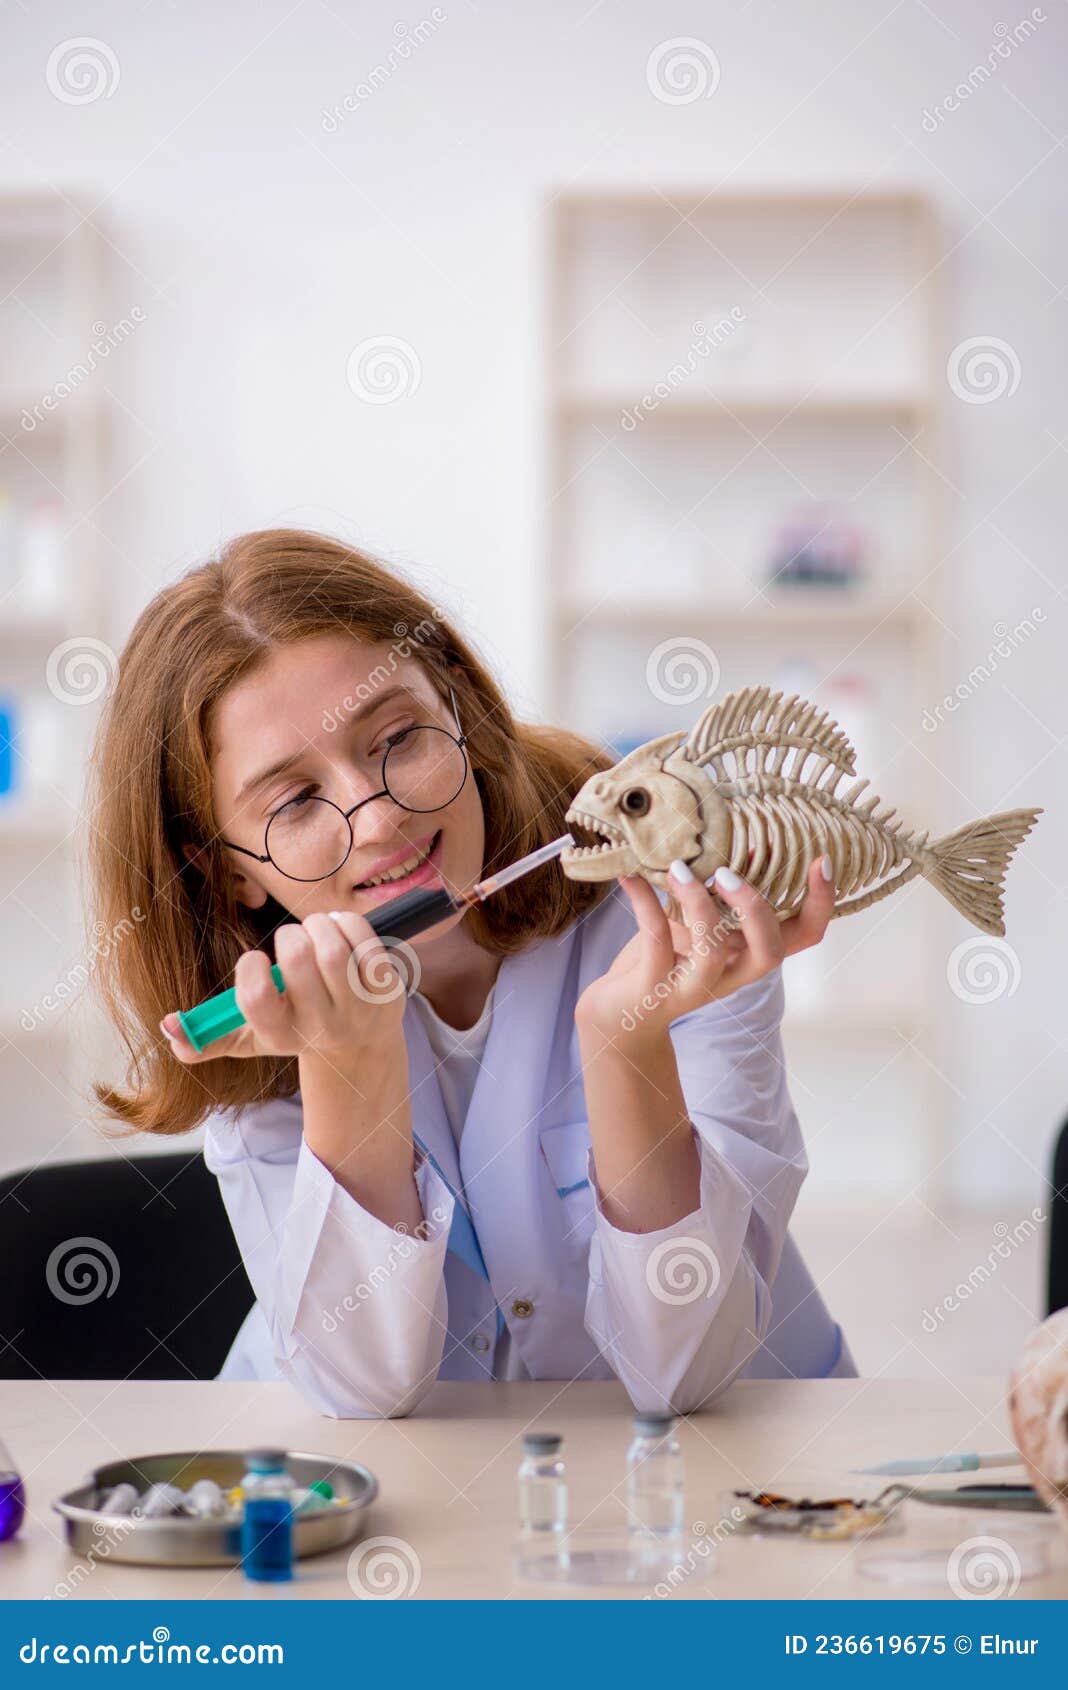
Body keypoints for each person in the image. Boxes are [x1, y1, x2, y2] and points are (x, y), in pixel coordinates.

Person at [88, 528, 855, 1418]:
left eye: (398, 739)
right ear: (225, 867)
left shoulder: (670, 916)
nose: (376, 821)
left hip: (735, 1488)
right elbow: (371, 1392)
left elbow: (684, 1370)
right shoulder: (260, 1005)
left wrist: (626, 1045)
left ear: (459, 707)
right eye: (296, 800)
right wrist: (351, 1068)